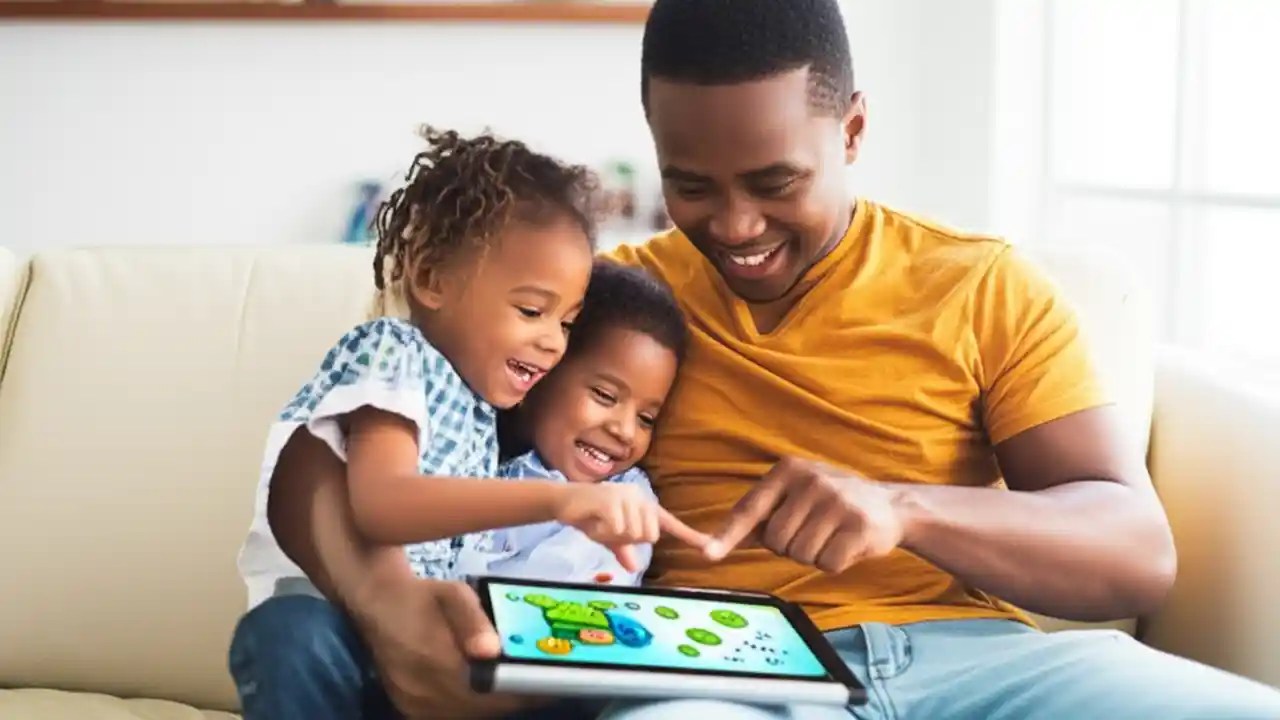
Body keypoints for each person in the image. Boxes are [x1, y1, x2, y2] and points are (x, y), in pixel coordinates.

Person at [248, 2, 1280, 719]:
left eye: (775, 181)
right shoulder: (605, 311)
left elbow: (1133, 548)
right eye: (691, 185)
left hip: (985, 665)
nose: (734, 227)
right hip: (719, 681)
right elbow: (339, 445)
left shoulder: (984, 286)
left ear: (853, 130)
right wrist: (384, 604)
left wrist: (906, 509)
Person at [228, 127, 705, 720]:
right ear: (432, 279)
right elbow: (381, 503)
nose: (552, 342)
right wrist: (560, 502)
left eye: (565, 323)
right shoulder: (394, 354)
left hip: (422, 648)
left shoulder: (487, 411)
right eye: (532, 310)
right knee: (290, 633)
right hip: (339, 624)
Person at [485, 260, 688, 587]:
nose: (625, 431)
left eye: (646, 419)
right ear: (540, 370)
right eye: (605, 396)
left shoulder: (624, 502)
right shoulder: (470, 444)